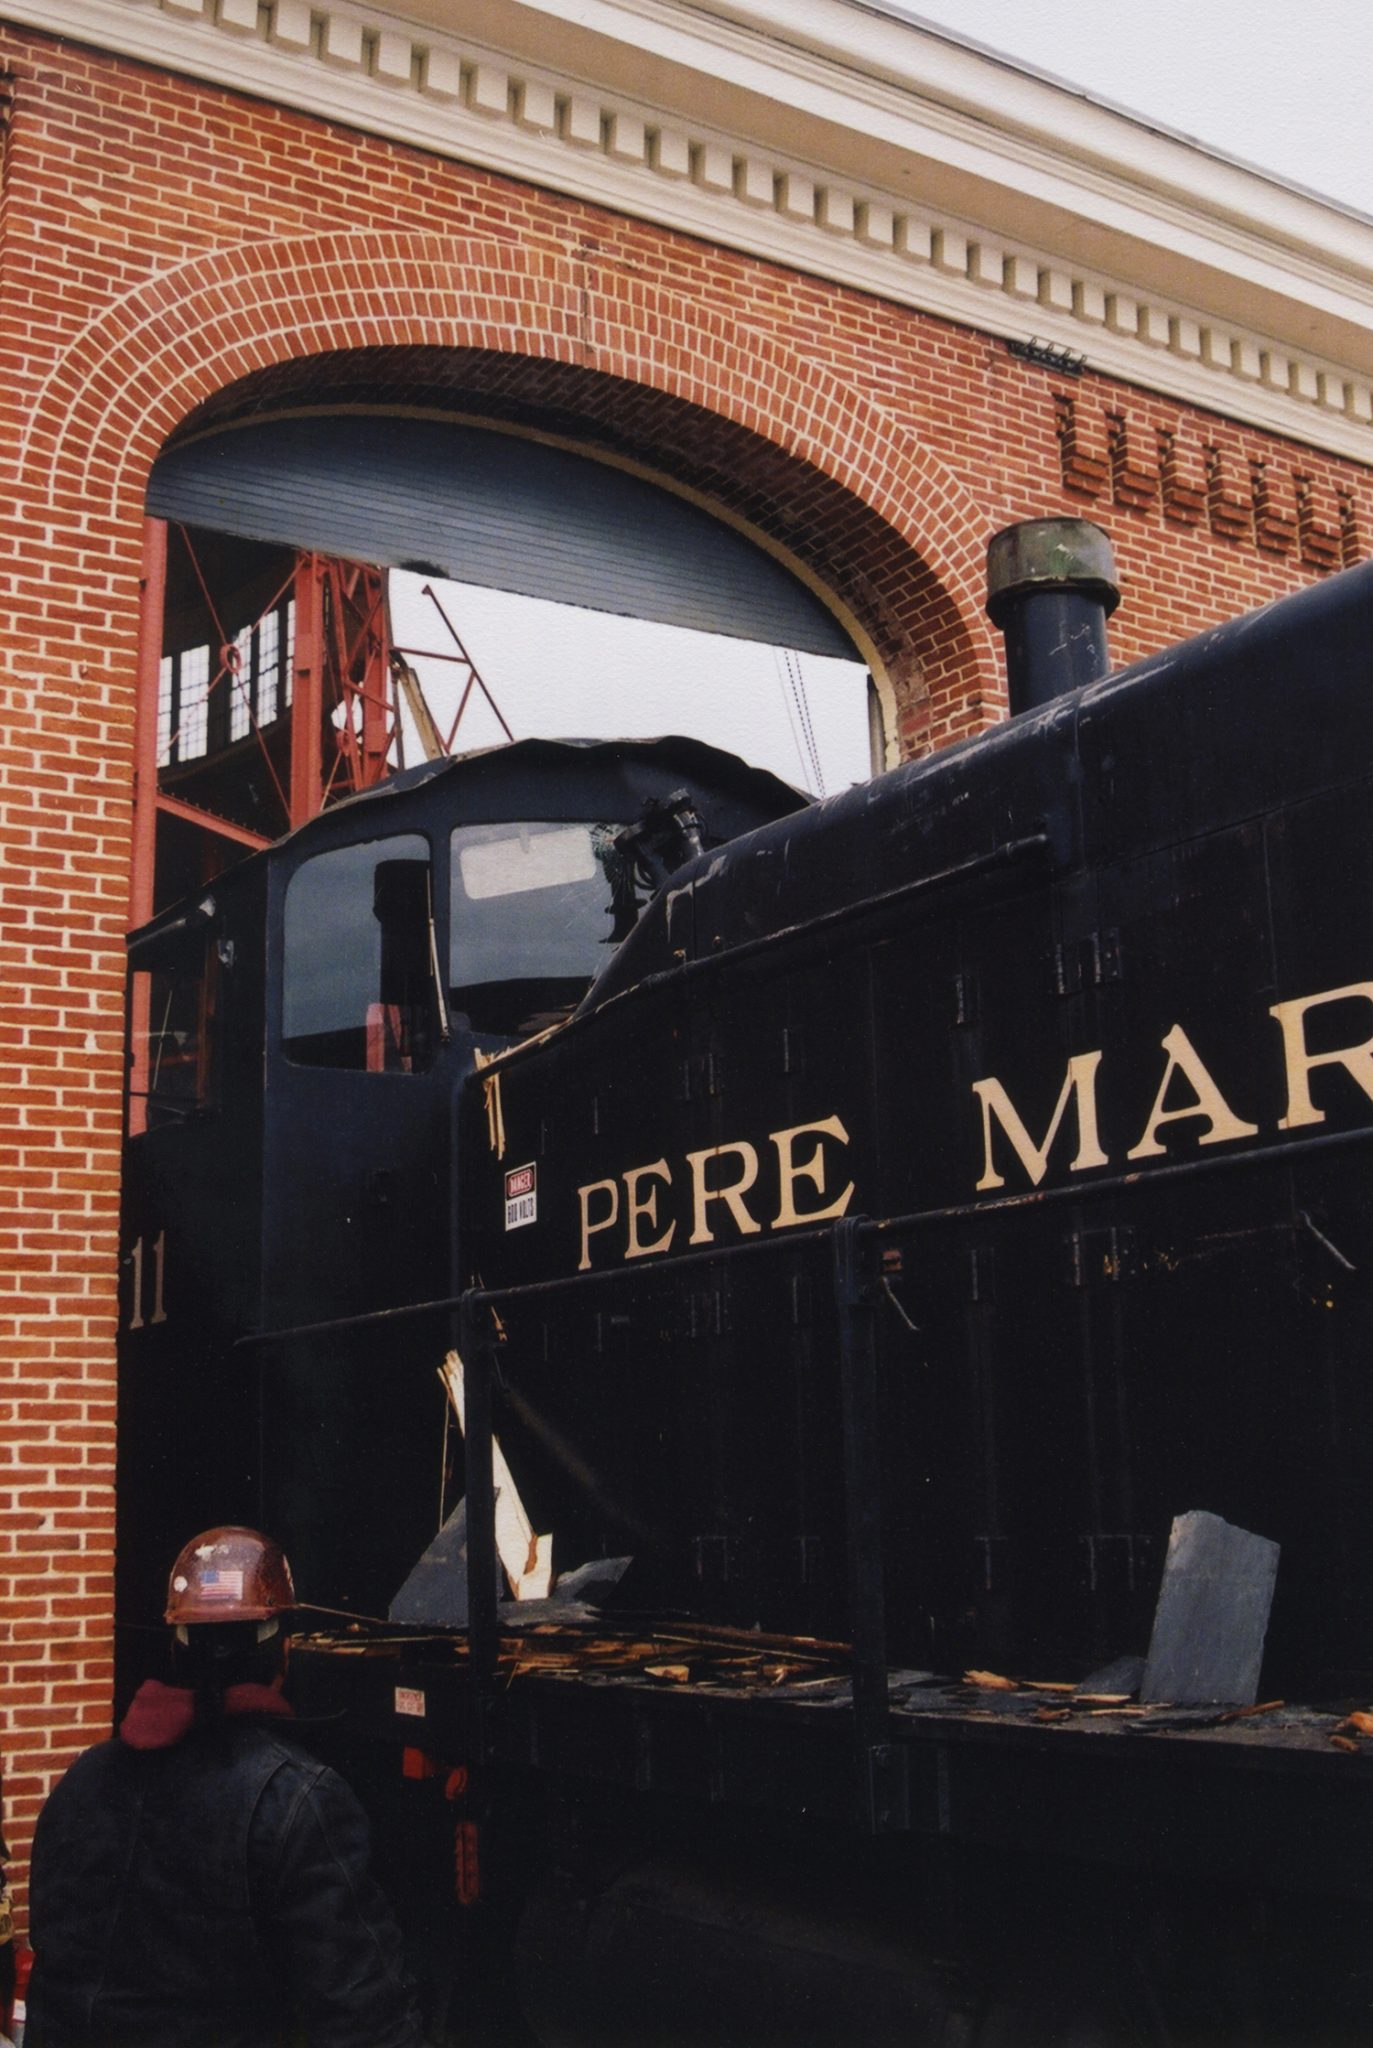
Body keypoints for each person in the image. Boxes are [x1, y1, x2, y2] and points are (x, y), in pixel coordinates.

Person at [25, 1527, 427, 2048]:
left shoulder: (83, 1781)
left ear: (176, 1650)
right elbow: (366, 2024)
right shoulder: (297, 1803)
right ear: (283, 1655)